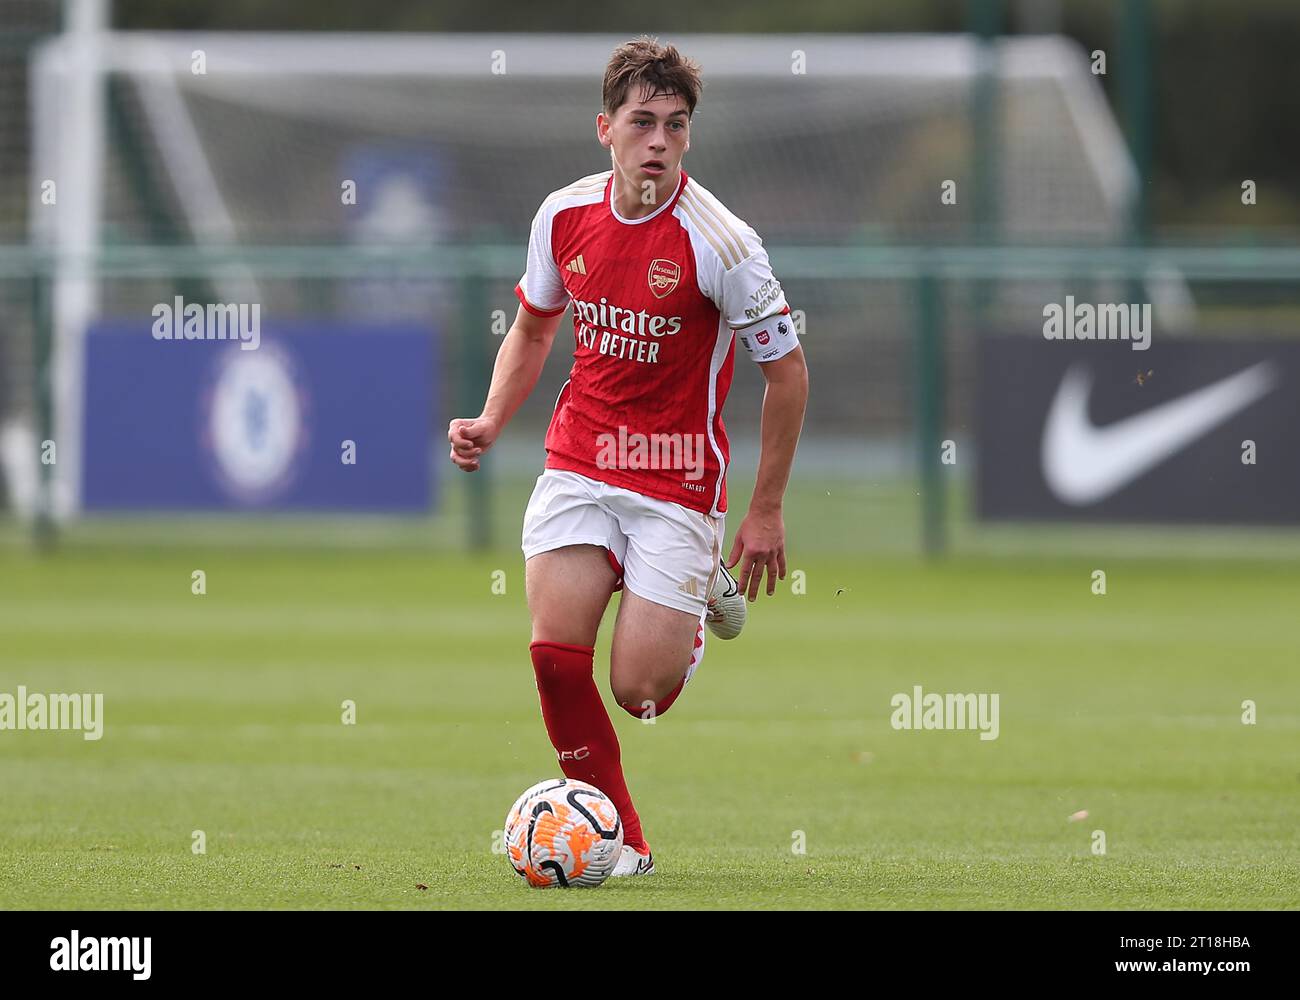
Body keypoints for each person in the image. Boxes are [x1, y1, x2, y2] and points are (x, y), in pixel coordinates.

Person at [448, 36, 808, 877]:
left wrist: (763, 510)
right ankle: (626, 845)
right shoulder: (562, 214)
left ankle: (689, 604)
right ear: (604, 128)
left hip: (678, 481)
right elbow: (537, 326)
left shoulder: (724, 246)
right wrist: (494, 417)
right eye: (642, 122)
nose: (659, 141)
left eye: (675, 126)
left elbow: (786, 375)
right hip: (579, 462)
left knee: (638, 692)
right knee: (552, 655)